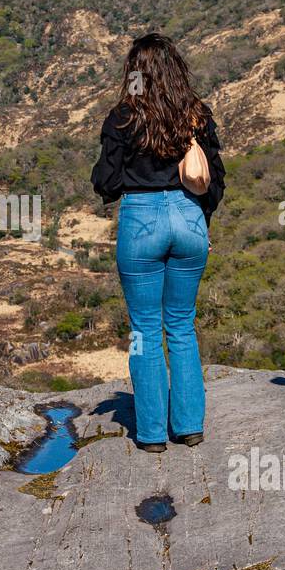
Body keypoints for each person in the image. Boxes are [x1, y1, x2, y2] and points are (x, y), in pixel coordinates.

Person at [91, 33, 225, 452]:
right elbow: (214, 180)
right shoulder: (196, 115)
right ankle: (189, 426)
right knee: (182, 326)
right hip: (188, 217)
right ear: (176, 70)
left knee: (145, 331)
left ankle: (151, 434)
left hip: (142, 221)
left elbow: (105, 182)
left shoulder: (122, 117)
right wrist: (199, 217)